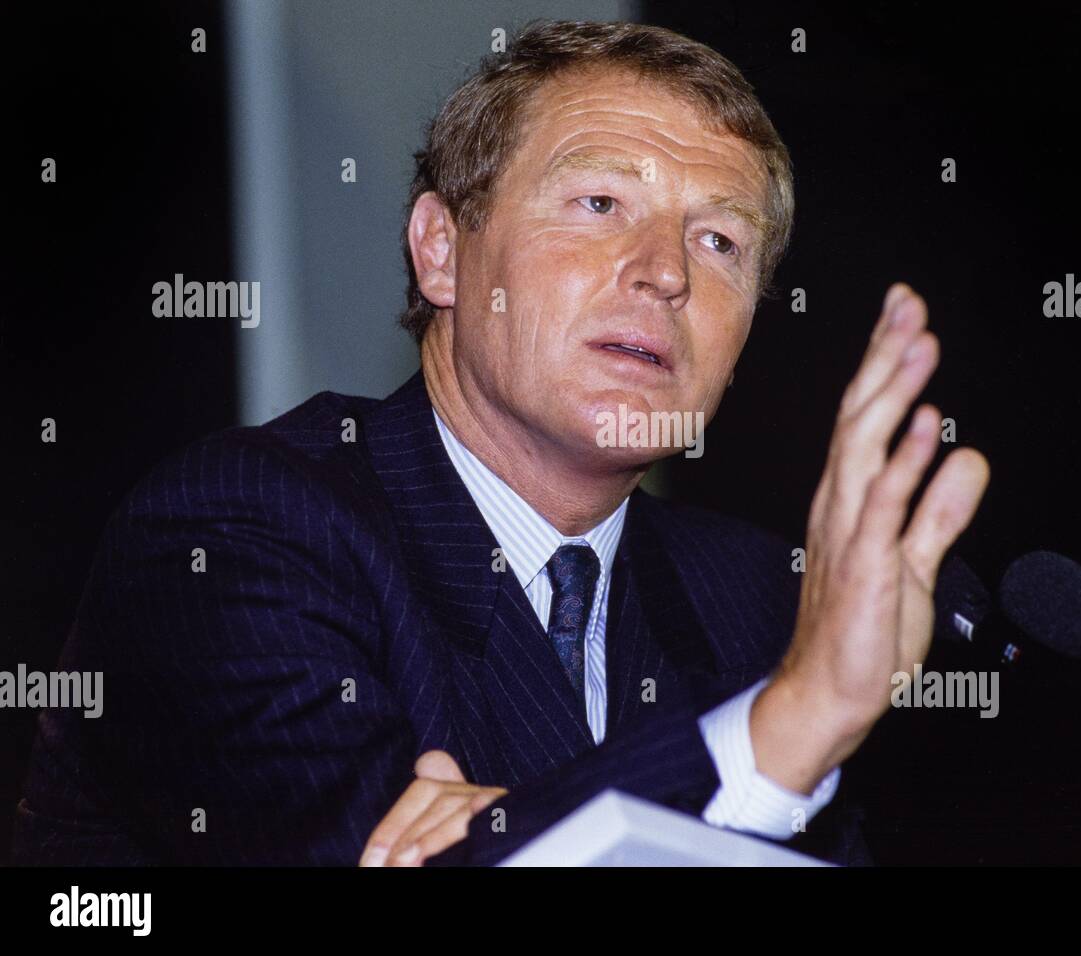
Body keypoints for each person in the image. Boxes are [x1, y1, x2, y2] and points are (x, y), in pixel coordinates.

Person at [13, 19, 988, 866]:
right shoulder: (233, 530)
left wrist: (503, 833)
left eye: (718, 242)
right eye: (599, 203)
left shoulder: (756, 596)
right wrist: (787, 725)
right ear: (440, 249)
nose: (664, 274)